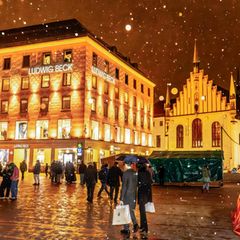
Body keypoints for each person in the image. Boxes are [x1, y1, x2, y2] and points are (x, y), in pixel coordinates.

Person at [120, 162, 139, 237]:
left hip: (127, 195)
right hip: (133, 195)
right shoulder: (135, 173)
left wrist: (121, 198)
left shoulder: (126, 173)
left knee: (125, 211)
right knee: (130, 210)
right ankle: (135, 224)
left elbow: (124, 186)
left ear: (126, 165)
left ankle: (126, 228)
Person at [137, 163, 153, 239]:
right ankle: (142, 226)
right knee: (142, 210)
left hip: (142, 194)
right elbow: (150, 183)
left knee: (142, 211)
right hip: (147, 194)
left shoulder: (140, 173)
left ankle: (145, 228)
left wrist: (139, 183)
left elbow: (137, 183)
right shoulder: (147, 173)